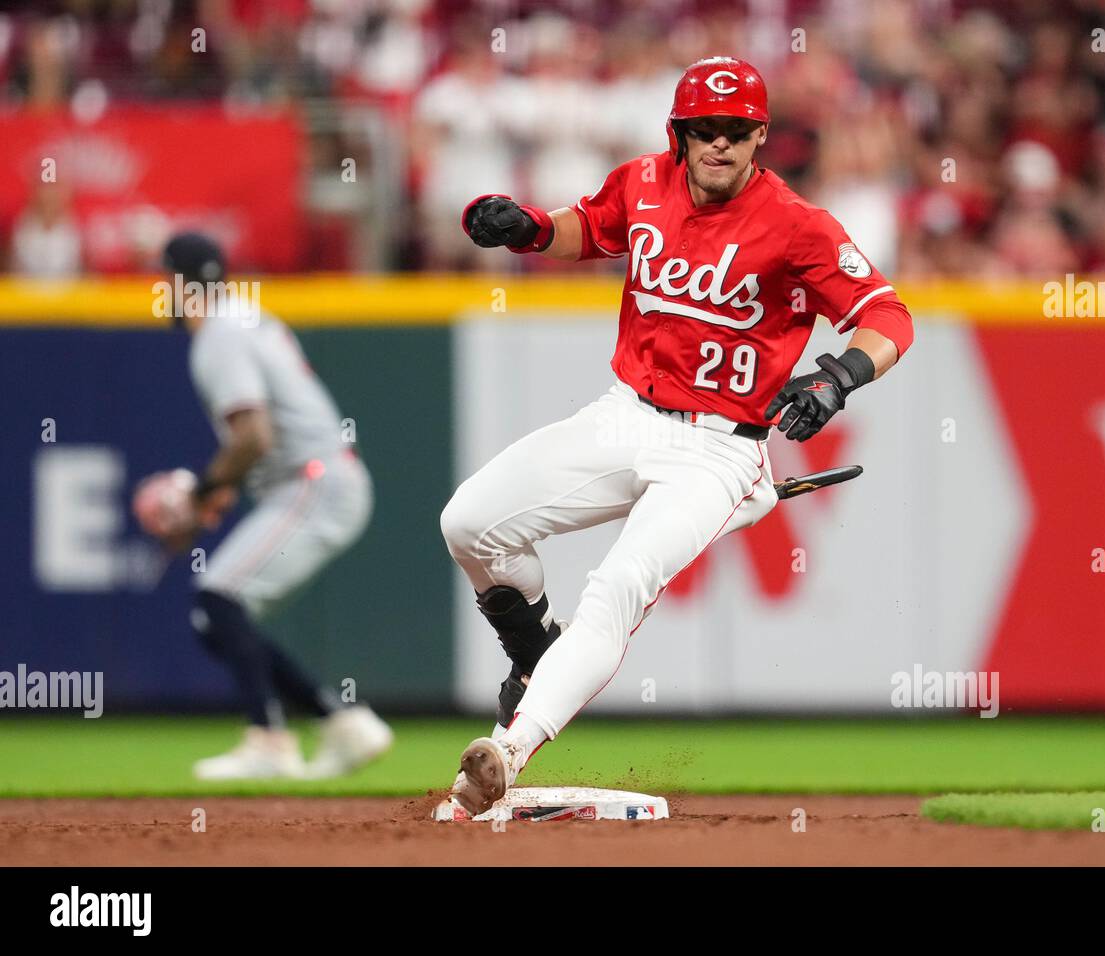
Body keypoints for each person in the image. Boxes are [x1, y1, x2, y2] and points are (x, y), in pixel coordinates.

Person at [441, 57, 913, 814]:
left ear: (760, 135)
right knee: (467, 522)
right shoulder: (642, 182)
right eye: (705, 129)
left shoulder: (798, 225)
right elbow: (587, 229)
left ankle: (509, 749)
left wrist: (838, 378)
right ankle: (535, 651)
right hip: (626, 411)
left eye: (735, 130)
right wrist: (529, 228)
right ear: (680, 133)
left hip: (718, 447)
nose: (719, 143)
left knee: (619, 585)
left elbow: (888, 317)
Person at [134, 232, 393, 780]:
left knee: (220, 598)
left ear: (180, 284)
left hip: (314, 482)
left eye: (164, 281)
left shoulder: (218, 336)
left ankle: (269, 742)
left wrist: (197, 495)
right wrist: (214, 495)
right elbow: (262, 438)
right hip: (312, 478)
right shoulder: (244, 318)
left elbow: (252, 436)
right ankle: (341, 723)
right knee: (216, 617)